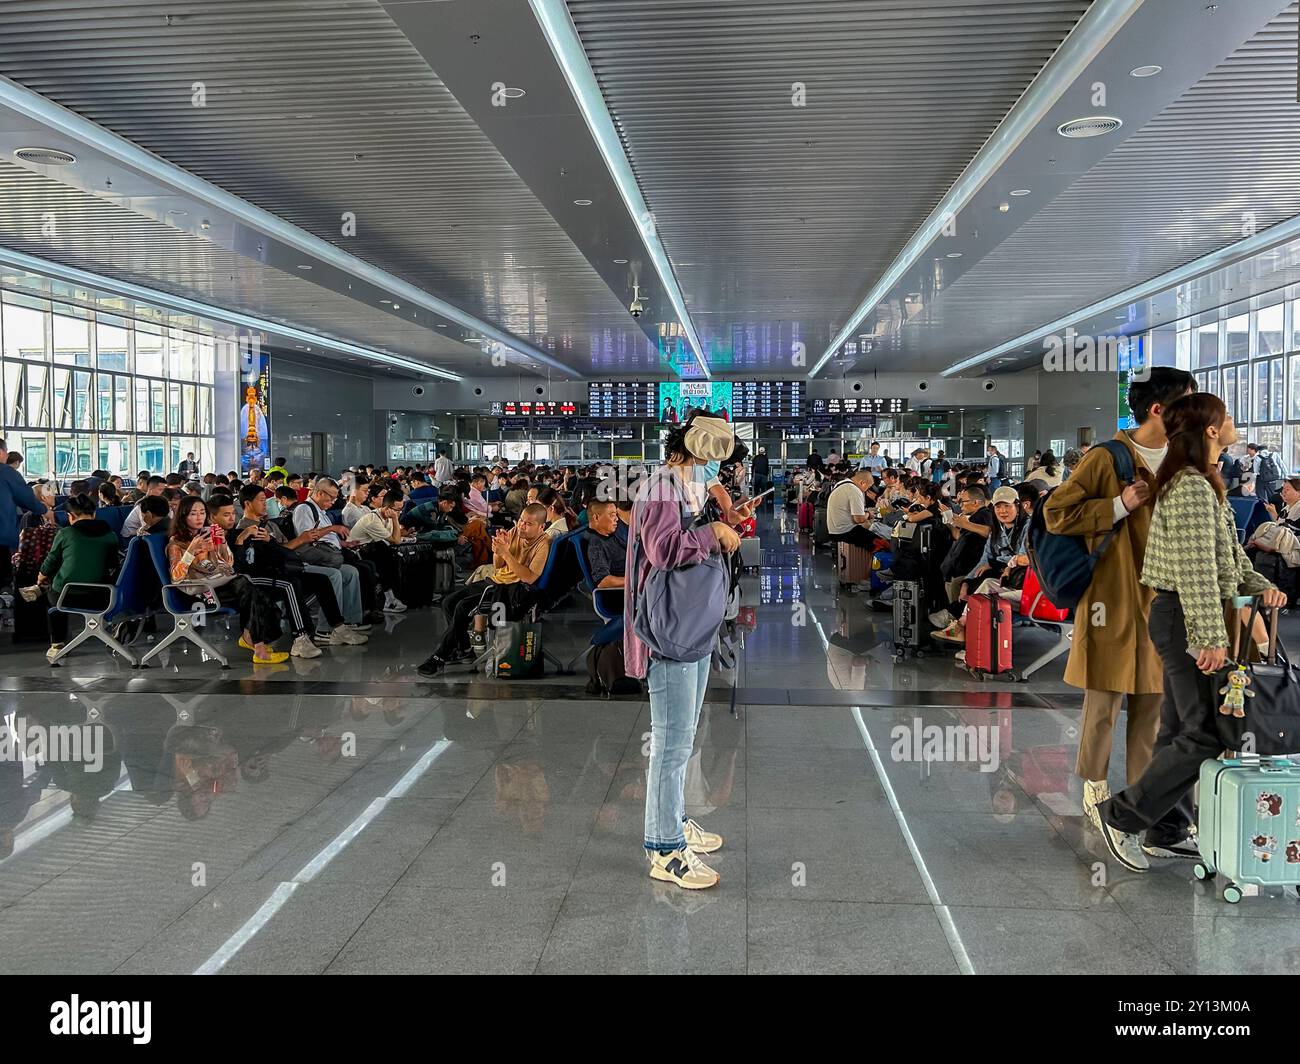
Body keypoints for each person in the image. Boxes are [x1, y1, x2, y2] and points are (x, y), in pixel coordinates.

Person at [1097, 393, 1284, 871]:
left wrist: (1261, 586)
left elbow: (1228, 556)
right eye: (1228, 417)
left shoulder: (1204, 482)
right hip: (1185, 616)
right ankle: (1122, 816)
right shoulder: (1193, 487)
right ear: (1211, 430)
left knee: (1179, 725)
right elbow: (1197, 570)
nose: (1235, 422)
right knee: (1202, 731)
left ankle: (1167, 827)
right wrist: (1209, 636)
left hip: (1185, 613)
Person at [1043, 367, 1194, 839]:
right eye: (1187, 402)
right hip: (1111, 594)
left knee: (1154, 703)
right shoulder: (1108, 458)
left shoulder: (1185, 459)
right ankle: (1093, 788)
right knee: (1104, 699)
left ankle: (1142, 802)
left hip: (1164, 599)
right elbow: (1055, 513)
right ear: (1159, 410)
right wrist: (1117, 506)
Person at [624, 412, 739, 890]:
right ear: (699, 450)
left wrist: (717, 525)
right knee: (671, 745)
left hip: (687, 628)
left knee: (682, 740)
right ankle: (664, 847)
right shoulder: (662, 488)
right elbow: (665, 550)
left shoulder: (684, 487)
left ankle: (672, 818)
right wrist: (713, 535)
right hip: (666, 634)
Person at [416, 502, 552, 676]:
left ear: (541, 526)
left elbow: (530, 577)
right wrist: (498, 549)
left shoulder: (543, 544)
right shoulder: (516, 532)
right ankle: (464, 650)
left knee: (463, 607)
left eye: (528, 524)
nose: (522, 526)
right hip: (495, 581)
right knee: (449, 602)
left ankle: (440, 656)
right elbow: (498, 565)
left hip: (510, 590)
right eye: (521, 521)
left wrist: (506, 553)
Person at [235, 485, 365, 647]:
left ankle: (342, 625)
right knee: (326, 577)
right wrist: (301, 540)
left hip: (290, 563)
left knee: (348, 572)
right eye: (262, 500)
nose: (266, 504)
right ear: (247, 504)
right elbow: (270, 556)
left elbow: (284, 547)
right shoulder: (245, 530)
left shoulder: (269, 525)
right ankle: (317, 632)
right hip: (277, 570)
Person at [166, 496, 289, 664]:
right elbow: (176, 577)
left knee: (256, 594)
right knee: (250, 590)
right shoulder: (176, 542)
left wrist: (222, 543)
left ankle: (252, 639)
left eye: (202, 513)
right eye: (193, 513)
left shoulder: (206, 534)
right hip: (201, 591)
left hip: (218, 583)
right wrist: (191, 552)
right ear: (183, 516)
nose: (199, 517)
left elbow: (227, 564)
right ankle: (257, 645)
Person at [932, 486, 1030, 644]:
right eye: (998, 506)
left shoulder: (1028, 528)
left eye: (1008, 506)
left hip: (1020, 583)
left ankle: (957, 625)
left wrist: (997, 564)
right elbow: (985, 559)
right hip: (1002, 579)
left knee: (983, 588)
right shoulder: (996, 531)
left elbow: (1023, 558)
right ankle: (960, 629)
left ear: (1018, 506)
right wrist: (967, 582)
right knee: (976, 581)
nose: (1003, 511)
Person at [37, 493, 120, 662]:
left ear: (71, 516)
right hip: (102, 596)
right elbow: (113, 566)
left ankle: (58, 644)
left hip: (68, 597)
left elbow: (50, 562)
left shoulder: (66, 533)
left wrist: (41, 578)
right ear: (94, 514)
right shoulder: (110, 535)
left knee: (51, 594)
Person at [347, 488, 408, 613]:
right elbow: (395, 540)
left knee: (388, 552)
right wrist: (396, 520)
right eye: (397, 510)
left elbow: (395, 537)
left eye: (401, 509)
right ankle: (389, 599)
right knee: (385, 555)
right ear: (387, 509)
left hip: (371, 548)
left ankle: (395, 594)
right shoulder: (372, 520)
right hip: (356, 552)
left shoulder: (387, 517)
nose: (400, 512)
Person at [0, 436, 47, 592]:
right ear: (1, 451)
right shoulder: (6, 472)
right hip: (2, 536)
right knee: (3, 582)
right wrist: (45, 510)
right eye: (6, 451)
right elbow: (26, 498)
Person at [825, 467, 877, 550]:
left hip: (833, 530)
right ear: (862, 483)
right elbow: (859, 519)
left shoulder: (841, 483)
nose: (867, 490)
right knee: (881, 542)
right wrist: (869, 514)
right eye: (868, 486)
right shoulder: (854, 490)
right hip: (845, 532)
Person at [584, 499, 628, 588]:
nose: (616, 519)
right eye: (612, 515)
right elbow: (603, 581)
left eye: (616, 515)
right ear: (596, 517)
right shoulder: (595, 544)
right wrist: (635, 580)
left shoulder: (610, 535)